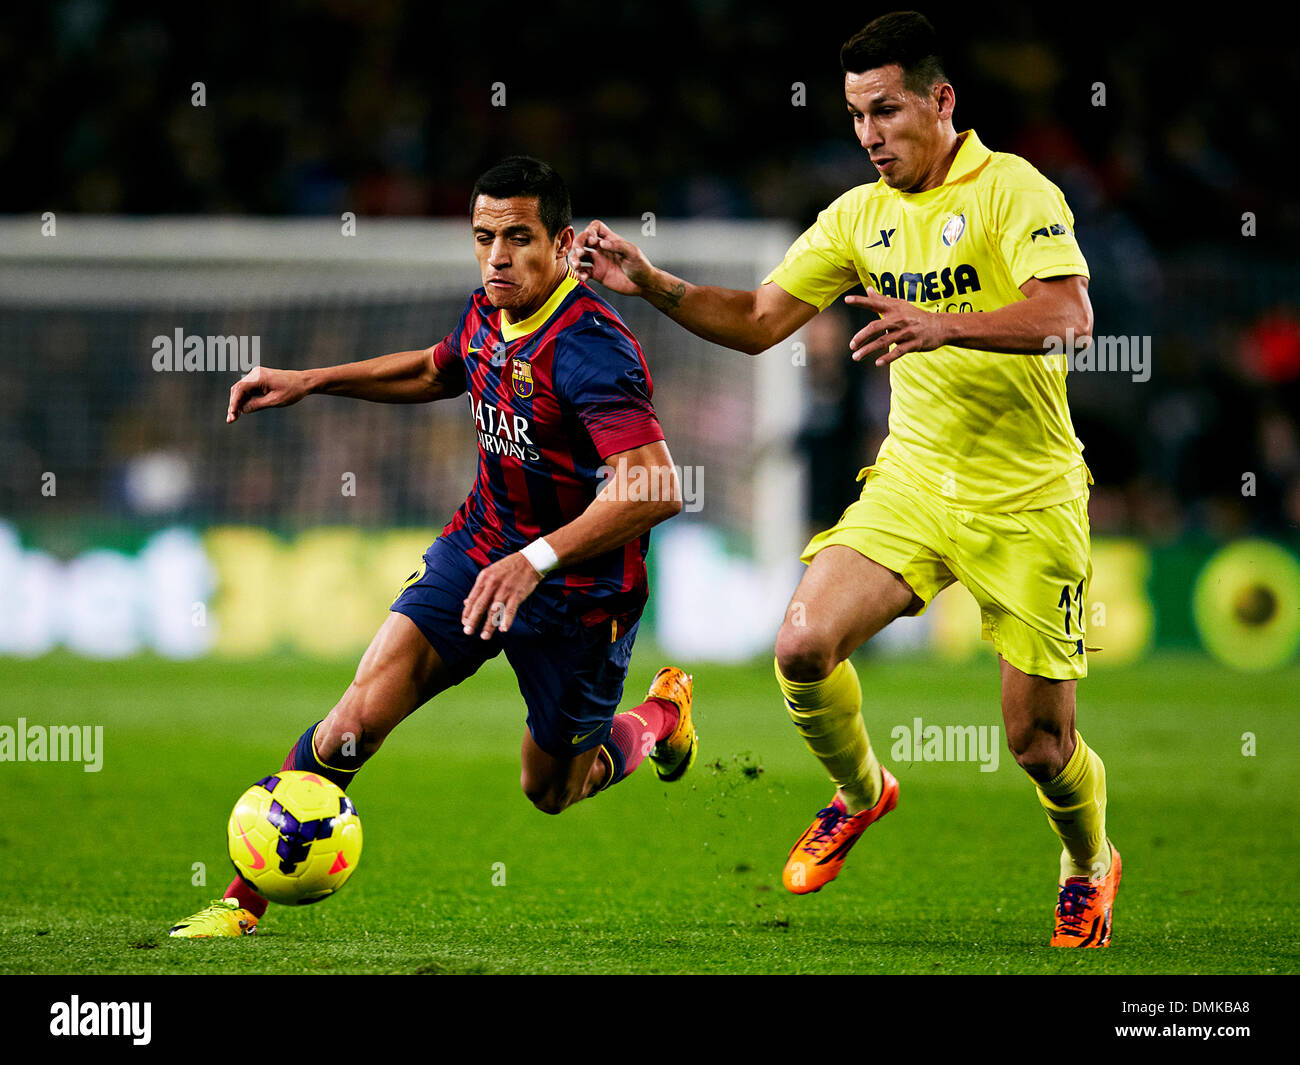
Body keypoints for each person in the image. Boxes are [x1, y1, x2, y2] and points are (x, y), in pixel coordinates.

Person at [573, 12, 1119, 947]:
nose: (869, 133)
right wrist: (654, 282)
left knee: (1038, 744)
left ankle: (1086, 861)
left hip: (1027, 500)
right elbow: (755, 316)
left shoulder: (1014, 190)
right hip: (912, 486)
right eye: (857, 113)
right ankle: (863, 791)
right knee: (801, 646)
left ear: (942, 102)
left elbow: (1070, 315)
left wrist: (947, 324)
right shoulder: (858, 215)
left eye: (888, 109)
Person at [170, 156, 696, 938]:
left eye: (518, 238)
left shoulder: (590, 346)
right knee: (355, 718)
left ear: (562, 243)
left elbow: (654, 486)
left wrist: (538, 559)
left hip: (580, 596)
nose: (496, 257)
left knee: (551, 787)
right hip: (479, 553)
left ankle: (659, 715)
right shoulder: (489, 310)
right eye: (484, 237)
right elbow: (433, 369)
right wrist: (311, 379)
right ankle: (239, 904)